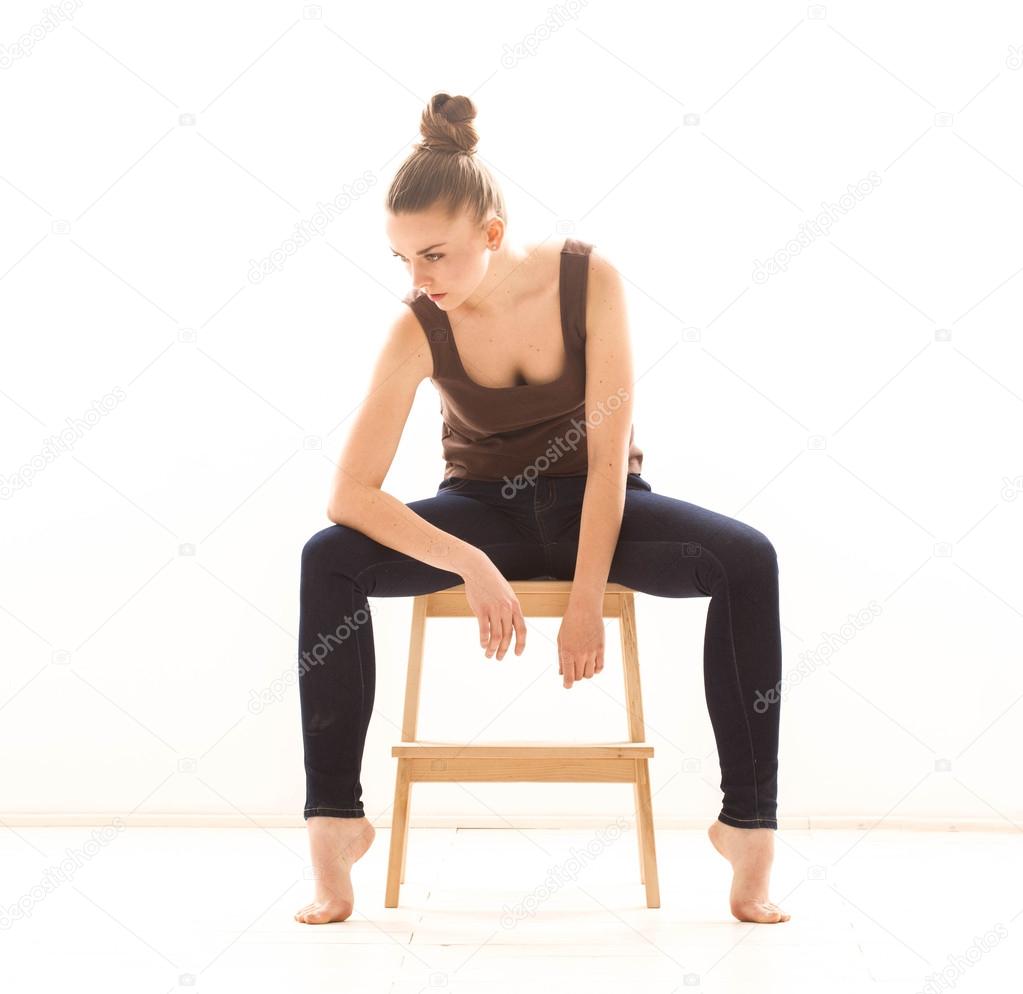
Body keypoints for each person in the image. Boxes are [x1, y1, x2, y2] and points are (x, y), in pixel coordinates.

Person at [293, 92, 790, 926]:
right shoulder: (418, 324)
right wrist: (469, 560)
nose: (418, 280)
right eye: (403, 259)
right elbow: (350, 494)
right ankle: (336, 820)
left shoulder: (586, 279)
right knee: (325, 555)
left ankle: (747, 827)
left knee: (748, 558)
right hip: (482, 513)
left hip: (599, 505)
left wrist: (587, 601)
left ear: (490, 235)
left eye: (435, 256)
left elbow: (606, 457)